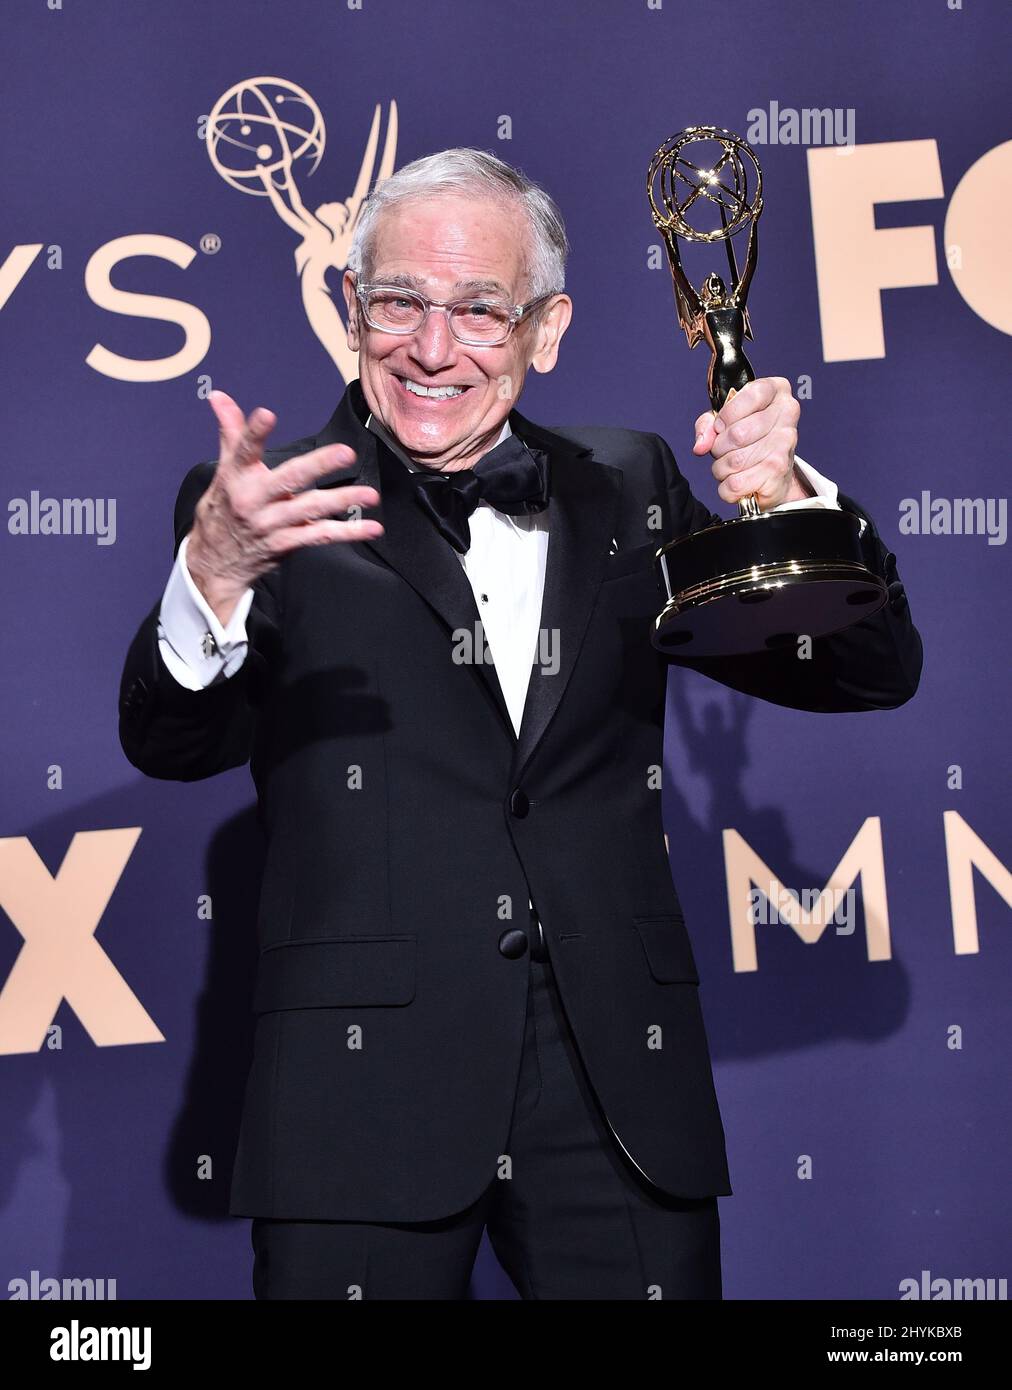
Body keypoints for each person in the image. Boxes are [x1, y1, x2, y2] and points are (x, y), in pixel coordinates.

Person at [118, 148, 922, 1300]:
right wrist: (214, 575)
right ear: (350, 305)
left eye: (480, 311)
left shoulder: (628, 484)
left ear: (546, 328)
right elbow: (168, 742)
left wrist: (789, 501)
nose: (432, 349)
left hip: (615, 1097)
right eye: (399, 301)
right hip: (360, 1102)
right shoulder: (266, 503)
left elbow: (862, 669)